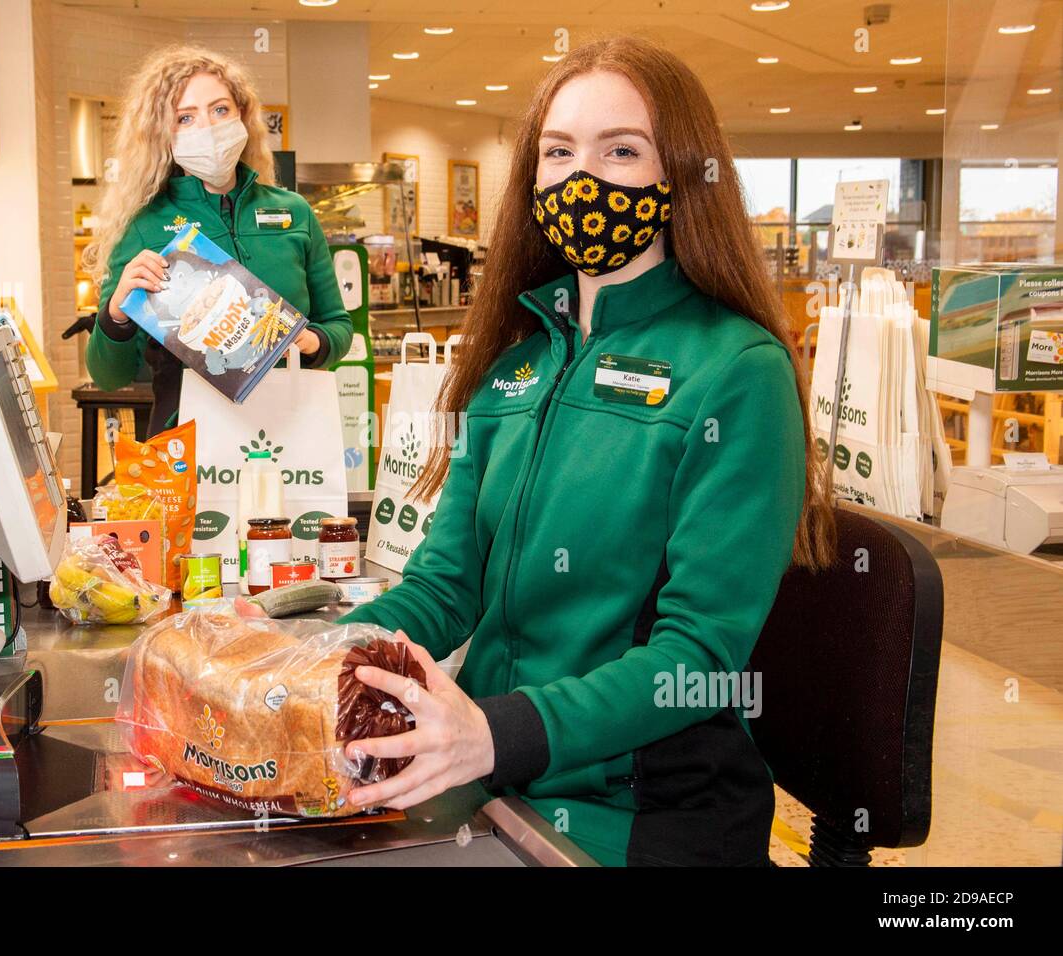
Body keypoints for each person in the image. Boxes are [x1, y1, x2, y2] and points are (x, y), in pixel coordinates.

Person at [244, 35, 836, 866]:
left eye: (621, 150)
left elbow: (698, 657)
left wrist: (497, 732)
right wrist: (303, 661)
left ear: (681, 175)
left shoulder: (737, 371)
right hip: (489, 785)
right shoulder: (517, 365)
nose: (580, 178)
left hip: (640, 815)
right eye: (558, 152)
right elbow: (446, 586)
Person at [84, 47, 353, 437]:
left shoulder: (293, 212)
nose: (207, 127)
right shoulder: (145, 226)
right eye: (186, 117)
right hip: (189, 445)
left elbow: (339, 326)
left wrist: (310, 341)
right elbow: (108, 375)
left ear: (243, 115)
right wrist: (118, 312)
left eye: (220, 110)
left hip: (290, 433)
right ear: (164, 132)